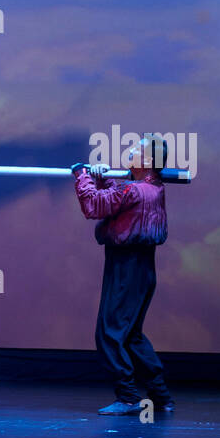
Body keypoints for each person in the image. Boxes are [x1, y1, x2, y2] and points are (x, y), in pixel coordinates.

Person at [72, 136, 174, 416]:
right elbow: (117, 201)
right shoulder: (151, 189)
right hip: (141, 269)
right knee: (131, 336)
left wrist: (82, 175)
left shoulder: (137, 190)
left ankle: (128, 397)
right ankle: (161, 396)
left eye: (137, 150)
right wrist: (102, 179)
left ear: (149, 161)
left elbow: (94, 206)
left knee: (110, 333)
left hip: (127, 268)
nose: (130, 152)